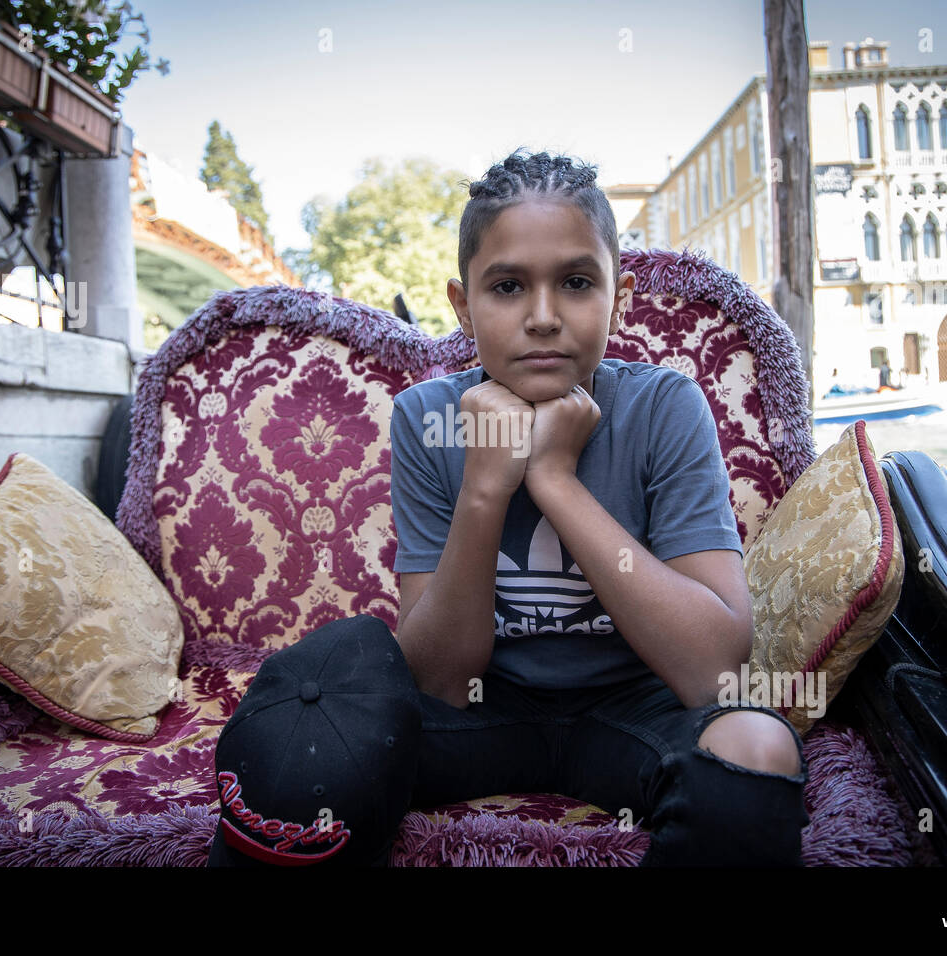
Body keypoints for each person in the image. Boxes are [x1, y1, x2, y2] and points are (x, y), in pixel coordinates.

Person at [211, 148, 808, 868]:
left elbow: (712, 674)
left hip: (635, 711)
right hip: (482, 713)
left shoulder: (664, 408)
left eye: (578, 283)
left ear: (616, 298)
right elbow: (439, 681)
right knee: (308, 739)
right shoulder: (427, 417)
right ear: (463, 305)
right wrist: (487, 485)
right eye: (507, 287)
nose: (544, 317)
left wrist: (555, 480)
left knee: (758, 747)